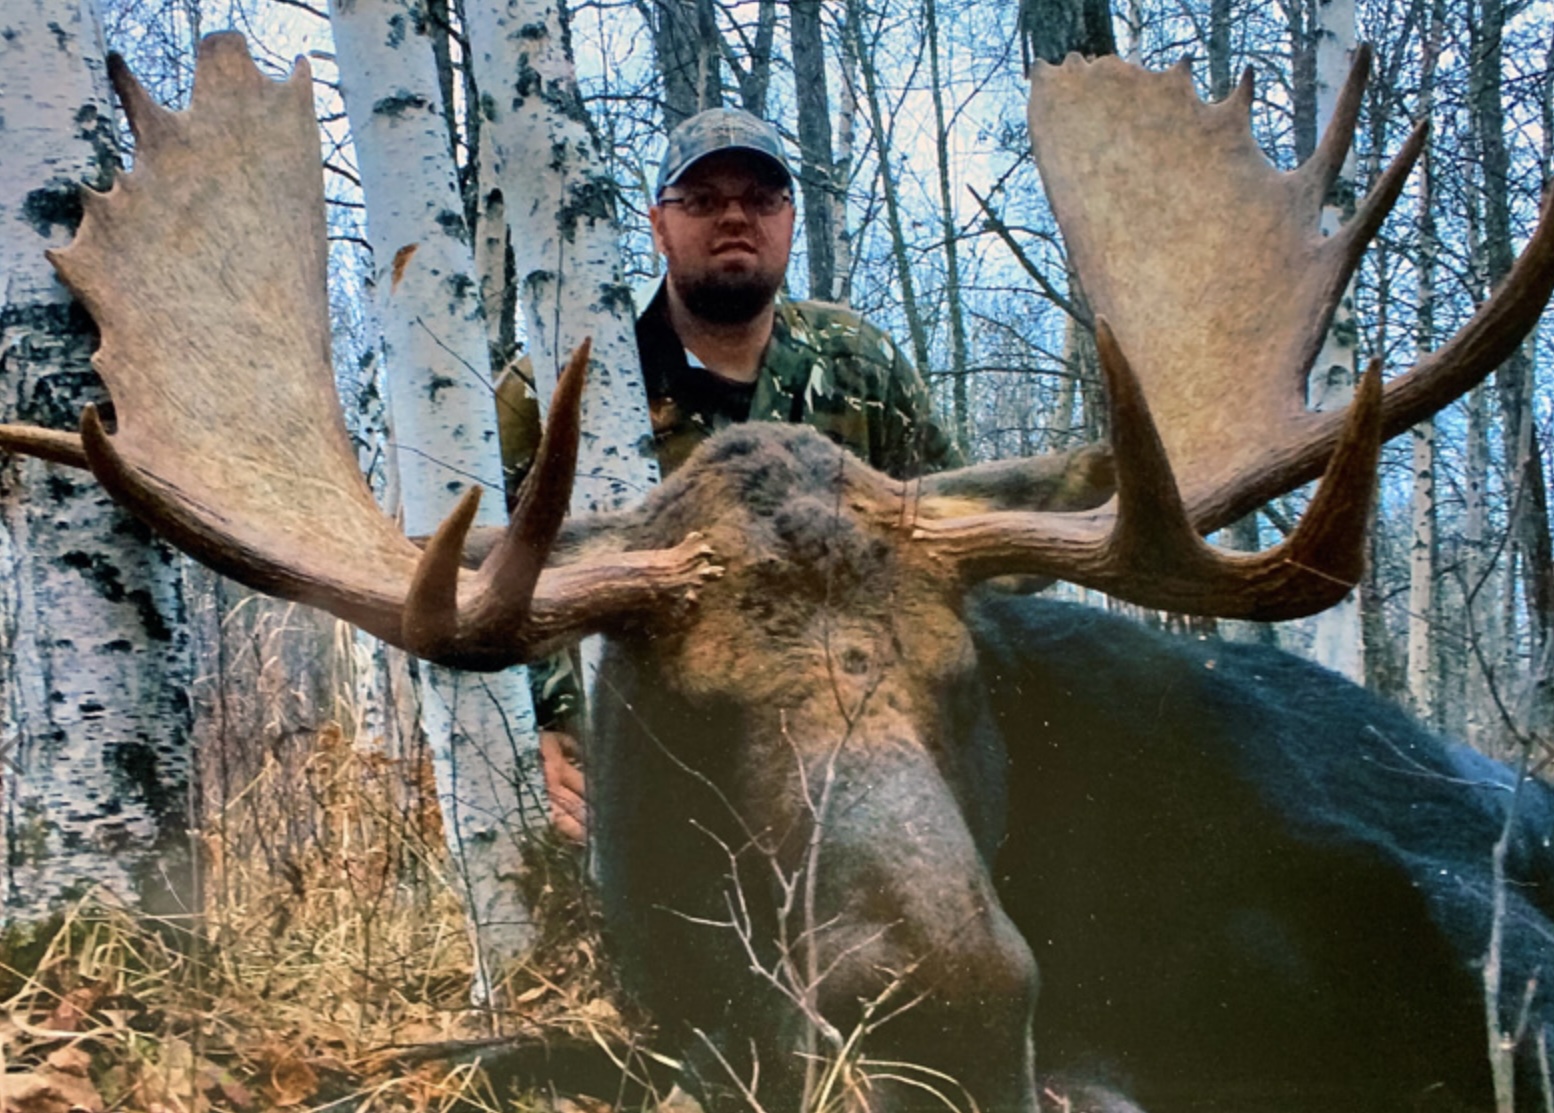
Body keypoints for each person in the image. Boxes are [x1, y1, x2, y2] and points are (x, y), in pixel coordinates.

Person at [497, 106, 963, 842]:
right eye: (704, 201)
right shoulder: (552, 388)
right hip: (651, 753)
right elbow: (498, 572)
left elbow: (945, 541)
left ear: (789, 219)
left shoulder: (860, 362)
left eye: (761, 199)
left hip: (853, 738)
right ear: (658, 225)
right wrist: (542, 720)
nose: (735, 217)